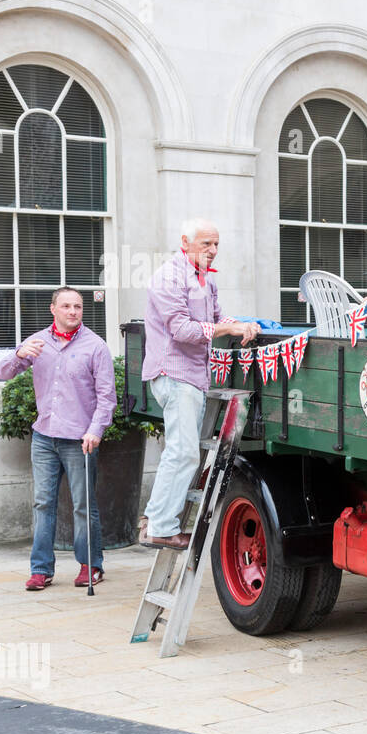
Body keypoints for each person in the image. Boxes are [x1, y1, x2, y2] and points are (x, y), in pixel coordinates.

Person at [139, 219, 259, 549]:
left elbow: (216, 320)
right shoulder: (169, 277)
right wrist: (228, 330)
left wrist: (239, 325)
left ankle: (155, 519)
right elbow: (182, 331)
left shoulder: (205, 280)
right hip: (175, 375)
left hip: (191, 377)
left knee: (180, 454)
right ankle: (161, 528)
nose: (213, 250)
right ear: (185, 242)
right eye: (206, 244)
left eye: (216, 244)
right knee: (183, 454)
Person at [0, 288, 116, 591]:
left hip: (80, 440)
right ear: (53, 309)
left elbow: (107, 398)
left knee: (82, 506)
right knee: (42, 504)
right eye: (66, 306)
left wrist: (96, 430)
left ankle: (91, 566)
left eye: (78, 306)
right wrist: (18, 355)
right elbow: (3, 373)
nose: (73, 311)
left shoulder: (95, 347)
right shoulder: (37, 343)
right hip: (44, 437)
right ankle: (41, 570)